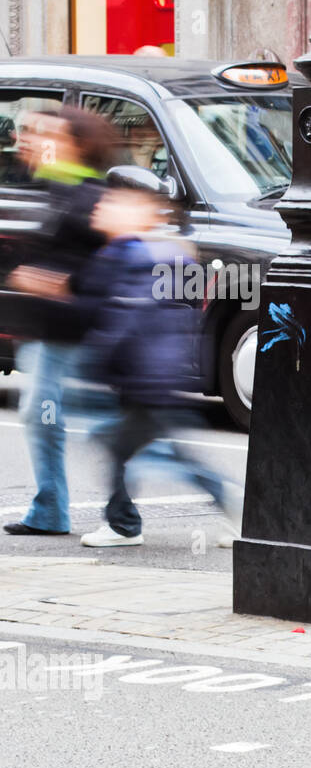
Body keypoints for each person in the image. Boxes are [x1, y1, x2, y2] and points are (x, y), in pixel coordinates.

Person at [74, 181, 239, 547]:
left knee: (125, 447)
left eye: (116, 202)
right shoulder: (155, 255)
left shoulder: (133, 257)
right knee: (133, 447)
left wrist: (96, 360)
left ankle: (125, 526)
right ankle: (124, 524)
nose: (103, 206)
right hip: (152, 375)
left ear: (142, 214)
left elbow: (125, 318)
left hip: (146, 377)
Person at [3, 106, 116, 538]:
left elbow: (108, 258)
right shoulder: (57, 187)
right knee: (47, 416)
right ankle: (51, 509)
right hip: (52, 333)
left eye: (42, 134)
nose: (28, 141)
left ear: (73, 144)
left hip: (74, 334)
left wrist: (63, 281)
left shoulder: (84, 193)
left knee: (113, 425)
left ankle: (109, 514)